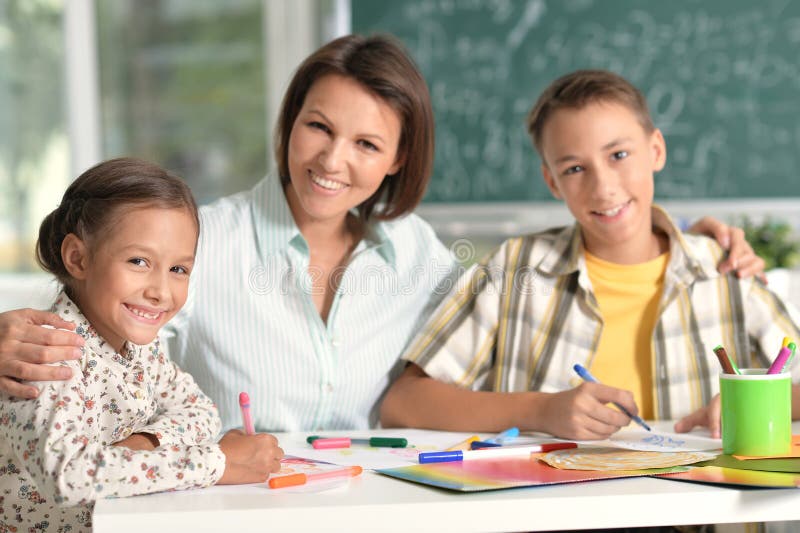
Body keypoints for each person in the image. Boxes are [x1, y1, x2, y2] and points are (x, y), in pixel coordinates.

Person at [0, 36, 764, 433]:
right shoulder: (206, 241)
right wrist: (12, 336)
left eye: (367, 145)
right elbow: (96, 327)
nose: (333, 161)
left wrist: (689, 237)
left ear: (399, 158)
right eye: (318, 127)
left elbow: (525, 291)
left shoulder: (423, 256)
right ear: (289, 124)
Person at [380, 69, 800, 441]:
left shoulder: (724, 270)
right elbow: (403, 402)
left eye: (618, 155)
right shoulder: (515, 269)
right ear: (552, 182)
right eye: (574, 169)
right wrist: (540, 410)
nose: (603, 188)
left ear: (655, 150)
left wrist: (758, 403)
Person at [0, 158, 283, 531]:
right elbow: (69, 476)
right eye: (138, 261)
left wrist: (144, 442)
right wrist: (216, 464)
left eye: (178, 269)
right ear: (78, 258)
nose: (161, 291)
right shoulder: (47, 353)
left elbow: (202, 411)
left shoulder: (138, 348)